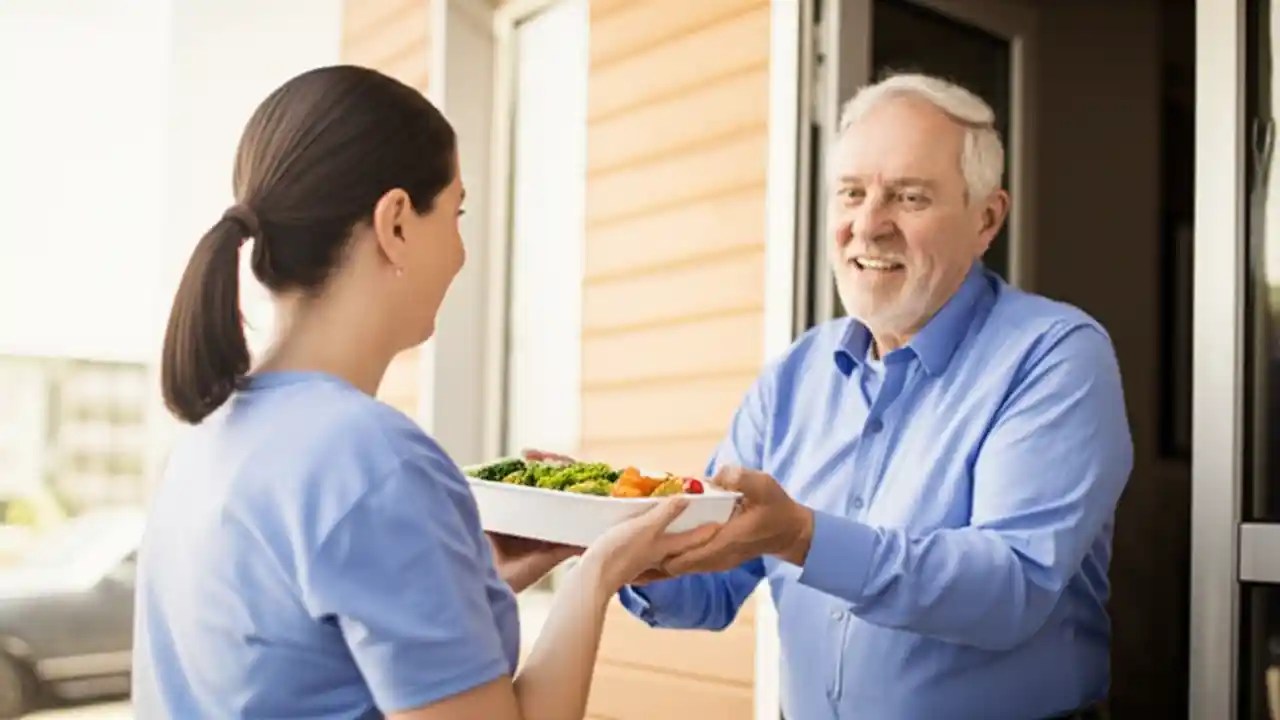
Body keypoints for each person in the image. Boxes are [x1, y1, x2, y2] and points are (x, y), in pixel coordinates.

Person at [132, 65, 717, 719]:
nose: (463, 252)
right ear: (398, 223)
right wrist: (598, 572)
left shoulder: (205, 442)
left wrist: (473, 583)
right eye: (457, 212)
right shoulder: (374, 461)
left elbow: (302, 668)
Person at [619, 73, 1134, 720]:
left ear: (986, 219)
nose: (868, 225)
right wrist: (610, 545)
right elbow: (715, 584)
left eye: (909, 197)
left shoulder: (1055, 355)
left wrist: (805, 538)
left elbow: (1010, 586)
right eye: (852, 193)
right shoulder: (792, 377)